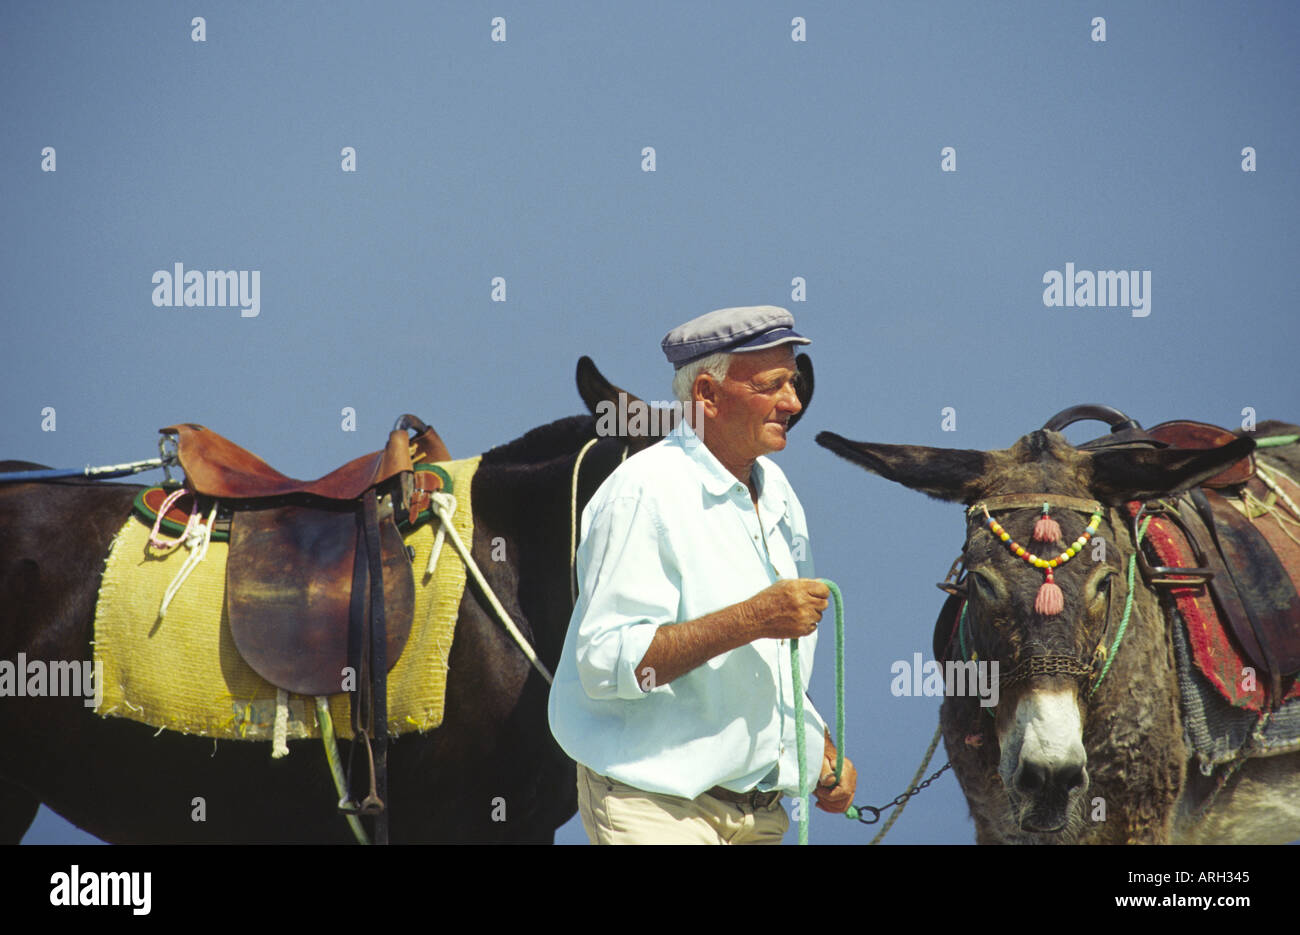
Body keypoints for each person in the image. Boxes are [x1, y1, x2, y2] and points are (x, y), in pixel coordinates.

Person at [547, 305, 857, 844]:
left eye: (794, 382)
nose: (794, 402)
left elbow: (772, 665)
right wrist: (753, 618)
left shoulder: (779, 492)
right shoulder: (642, 495)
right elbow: (605, 663)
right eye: (774, 385)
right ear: (708, 395)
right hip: (654, 807)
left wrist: (819, 749)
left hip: (759, 812)